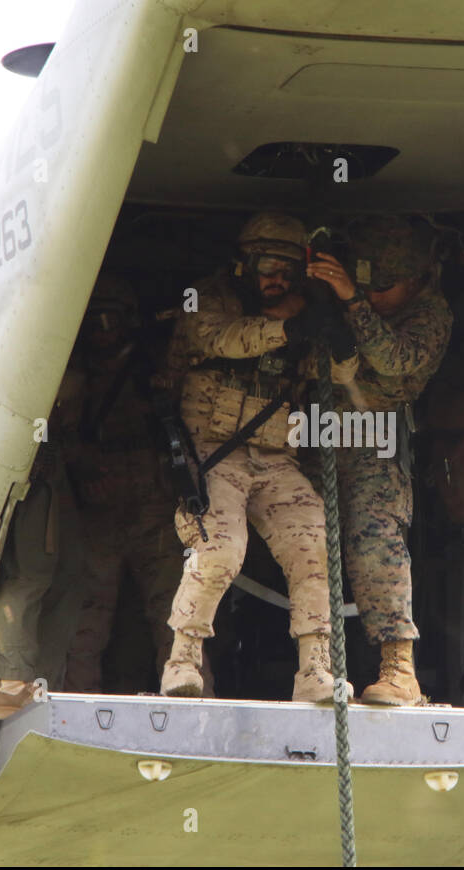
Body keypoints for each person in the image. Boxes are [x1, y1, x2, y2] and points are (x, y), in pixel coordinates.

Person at [159, 211, 349, 703]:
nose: (277, 278)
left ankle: (315, 670)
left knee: (315, 545)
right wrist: (292, 326)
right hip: (213, 453)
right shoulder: (206, 298)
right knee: (220, 549)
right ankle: (182, 661)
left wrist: (340, 330)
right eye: (267, 265)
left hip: (276, 460)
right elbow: (221, 338)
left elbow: (343, 373)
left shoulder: (304, 308)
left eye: (288, 268)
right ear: (242, 264)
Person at [305, 215, 453, 705]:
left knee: (375, 541)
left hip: (375, 438)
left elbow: (394, 360)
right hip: (314, 430)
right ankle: (316, 667)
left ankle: (399, 671)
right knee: (305, 542)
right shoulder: (358, 298)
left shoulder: (432, 315)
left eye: (383, 288)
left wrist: (351, 301)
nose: (373, 297)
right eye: (367, 285)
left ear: (417, 281)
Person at [60, 275, 195, 695]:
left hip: (155, 511)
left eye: (111, 319)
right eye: (94, 321)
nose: (103, 331)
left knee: (176, 616)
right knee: (86, 622)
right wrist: (84, 475)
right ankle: (76, 705)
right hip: (99, 512)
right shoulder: (71, 377)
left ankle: (191, 704)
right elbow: (55, 440)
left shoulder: (155, 370)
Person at [0, 353, 86, 719]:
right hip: (33, 477)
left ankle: (29, 682)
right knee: (29, 576)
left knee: (56, 578)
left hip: (45, 473)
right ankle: (12, 684)